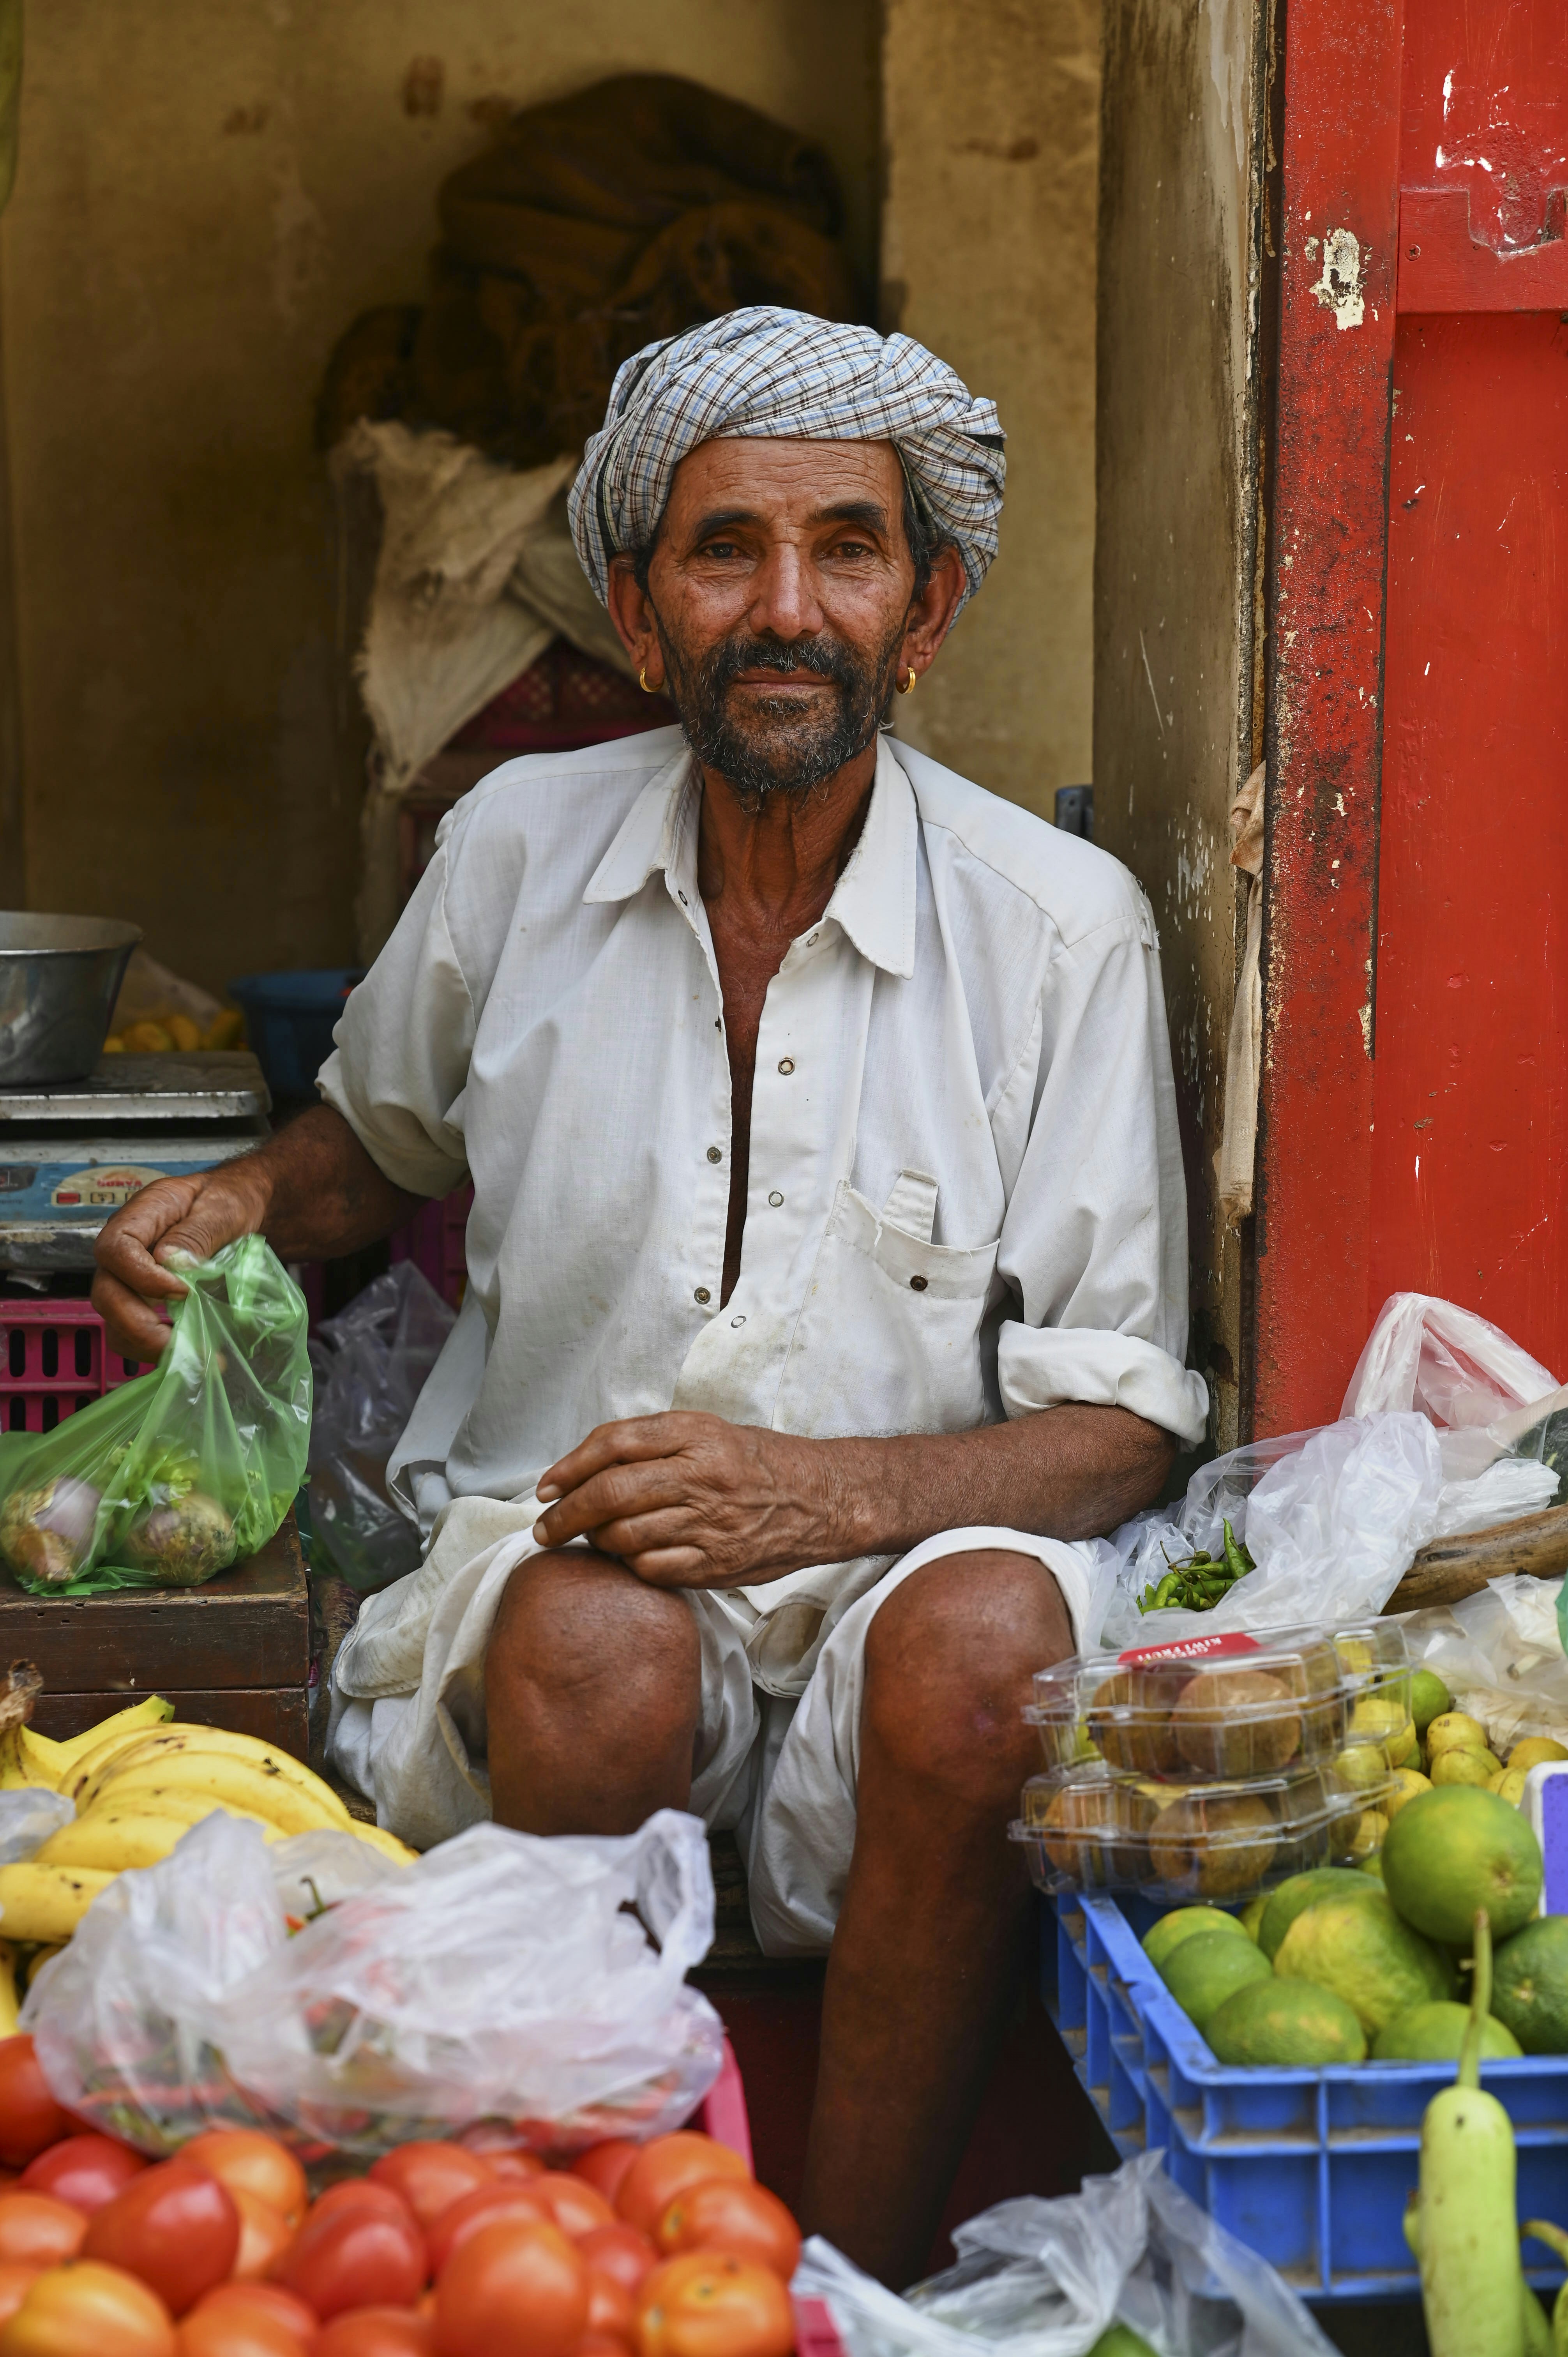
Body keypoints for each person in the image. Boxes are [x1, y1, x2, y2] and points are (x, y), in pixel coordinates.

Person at [95, 306, 1207, 2285]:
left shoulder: (1059, 936)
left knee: (979, 1639)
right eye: (725, 552)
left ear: (923, 609)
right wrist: (247, 1198)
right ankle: (599, 2264)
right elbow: (375, 1145)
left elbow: (1124, 1422)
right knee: (598, 1639)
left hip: (899, 1583)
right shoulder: (514, 850)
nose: (787, 608)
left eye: (845, 550)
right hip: (557, 1581)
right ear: (636, 603)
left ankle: (838, 2294)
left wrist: (820, 1496)